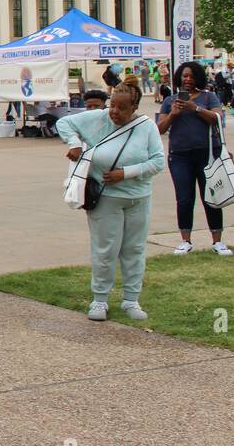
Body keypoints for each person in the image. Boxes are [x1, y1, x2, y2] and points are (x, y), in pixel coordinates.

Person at [56, 83, 165, 321]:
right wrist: (74, 142)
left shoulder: (146, 127)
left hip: (138, 196)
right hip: (106, 197)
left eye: (122, 108)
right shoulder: (98, 118)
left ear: (134, 108)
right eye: (112, 105)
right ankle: (99, 299)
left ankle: (131, 299)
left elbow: (158, 162)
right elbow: (64, 123)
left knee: (134, 249)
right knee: (105, 249)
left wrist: (126, 173)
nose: (114, 111)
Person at [157, 61, 230, 256]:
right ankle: (185, 241)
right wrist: (173, 114)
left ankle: (218, 241)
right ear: (178, 78)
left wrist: (194, 108)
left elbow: (217, 119)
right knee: (184, 199)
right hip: (180, 156)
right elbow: (159, 129)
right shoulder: (170, 100)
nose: (187, 79)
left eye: (191, 76)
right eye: (184, 76)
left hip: (207, 154)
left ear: (198, 78)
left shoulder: (209, 96)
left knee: (211, 198)